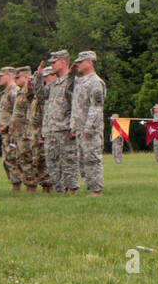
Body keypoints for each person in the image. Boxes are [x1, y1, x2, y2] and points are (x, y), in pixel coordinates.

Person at [69, 50, 107, 196]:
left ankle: (96, 190)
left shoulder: (95, 82)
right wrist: (74, 127)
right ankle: (91, 187)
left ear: (90, 62)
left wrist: (89, 128)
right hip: (79, 128)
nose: (77, 64)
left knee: (92, 159)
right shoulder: (80, 81)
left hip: (90, 129)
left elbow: (96, 107)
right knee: (82, 161)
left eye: (80, 62)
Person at [38, 50, 76, 193]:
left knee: (69, 162)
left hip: (65, 128)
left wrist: (74, 128)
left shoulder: (71, 81)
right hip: (53, 129)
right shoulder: (54, 84)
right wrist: (38, 77)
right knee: (52, 162)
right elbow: (41, 95)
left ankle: (71, 189)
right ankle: (60, 191)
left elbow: (75, 106)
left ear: (63, 62)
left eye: (54, 62)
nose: (52, 65)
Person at [0, 66, 22, 190]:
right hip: (5, 133)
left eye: (2, 75)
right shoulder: (6, 92)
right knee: (7, 159)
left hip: (12, 132)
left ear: (10, 75)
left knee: (13, 158)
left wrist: (10, 128)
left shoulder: (14, 91)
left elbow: (17, 112)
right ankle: (14, 184)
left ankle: (17, 185)